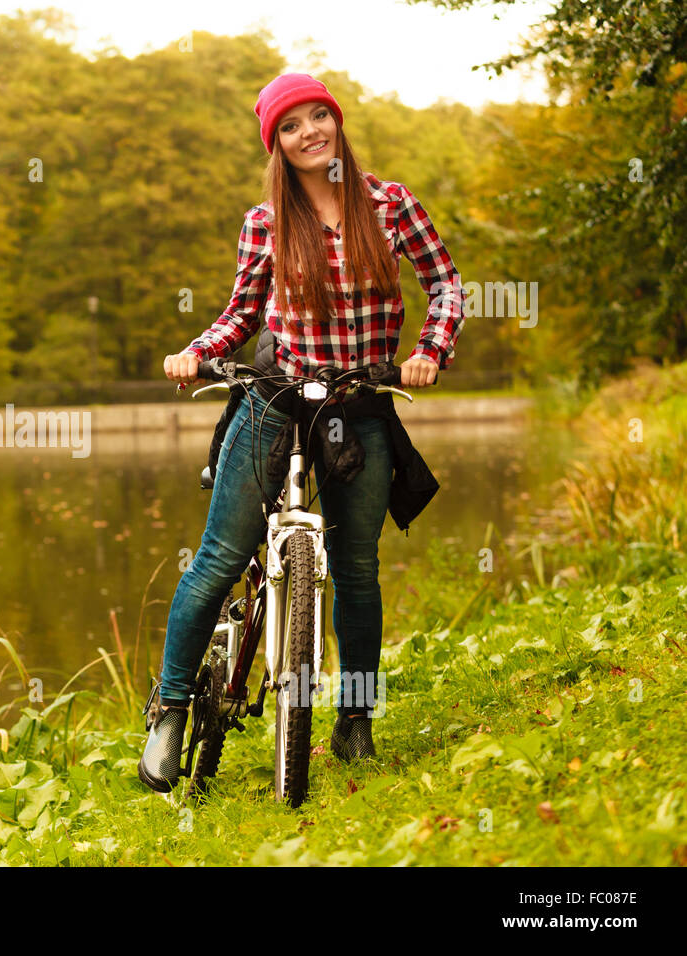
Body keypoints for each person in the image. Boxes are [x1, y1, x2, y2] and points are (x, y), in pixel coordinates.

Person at [138, 72, 464, 793]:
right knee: (219, 558)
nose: (310, 131)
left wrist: (428, 351)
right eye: (292, 125)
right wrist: (197, 352)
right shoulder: (265, 222)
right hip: (278, 400)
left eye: (320, 116)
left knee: (355, 571)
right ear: (276, 144)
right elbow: (240, 314)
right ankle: (170, 708)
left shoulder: (390, 203)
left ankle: (354, 721)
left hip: (360, 403)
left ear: (337, 124)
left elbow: (445, 282)